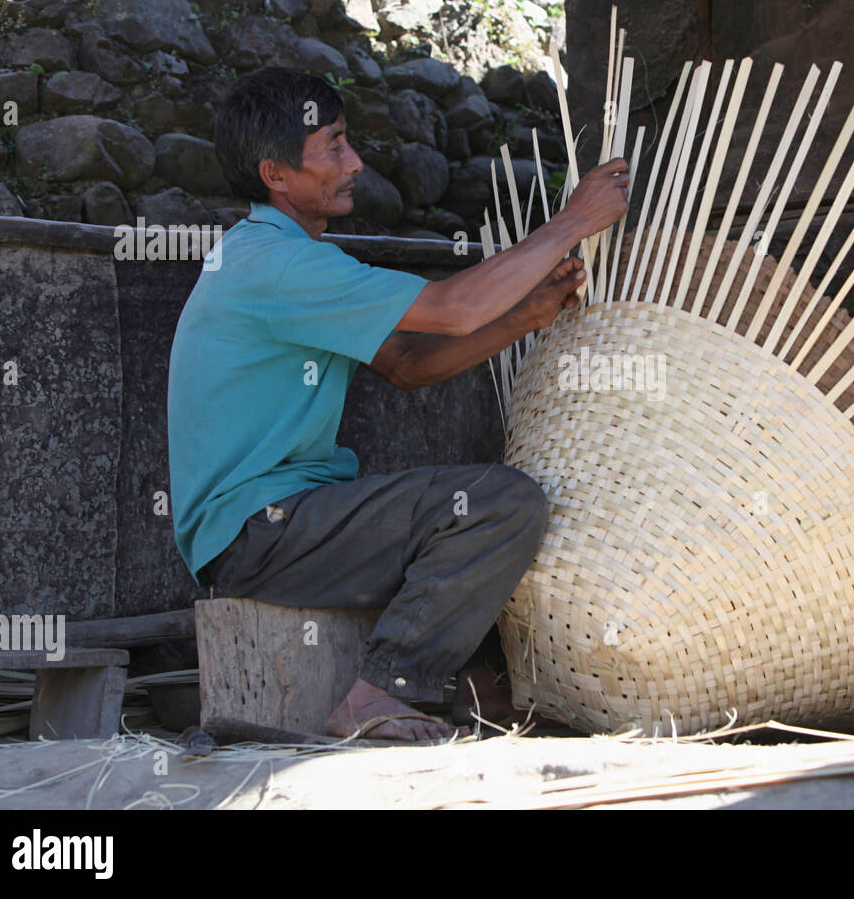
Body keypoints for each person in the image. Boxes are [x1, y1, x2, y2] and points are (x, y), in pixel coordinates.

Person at [167, 67, 629, 742]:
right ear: (277, 174)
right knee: (502, 503)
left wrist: (527, 316)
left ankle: (465, 692)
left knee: (466, 504)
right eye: (334, 147)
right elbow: (453, 307)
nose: (355, 162)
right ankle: (378, 695)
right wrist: (571, 223)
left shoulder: (280, 257)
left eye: (347, 143)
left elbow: (406, 365)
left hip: (279, 522)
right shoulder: (275, 265)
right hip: (256, 532)